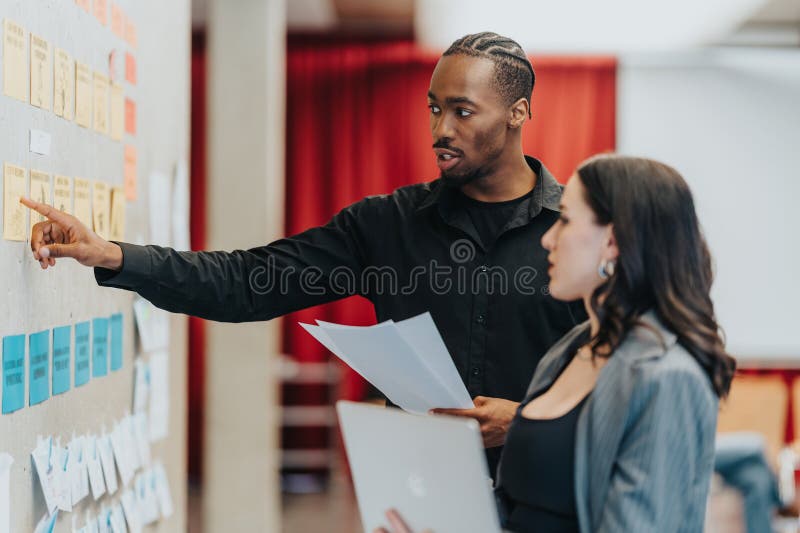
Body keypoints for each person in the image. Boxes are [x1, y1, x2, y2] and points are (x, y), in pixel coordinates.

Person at [21, 31, 584, 476]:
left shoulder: (581, 231)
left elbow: (633, 381)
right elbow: (249, 281)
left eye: (462, 111)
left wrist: (528, 421)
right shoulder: (388, 225)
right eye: (434, 108)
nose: (440, 128)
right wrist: (114, 255)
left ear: (518, 112)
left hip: (548, 496)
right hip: (420, 498)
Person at [377, 155, 737, 533]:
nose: (548, 239)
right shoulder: (568, 352)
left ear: (612, 241)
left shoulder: (667, 377)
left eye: (564, 219)